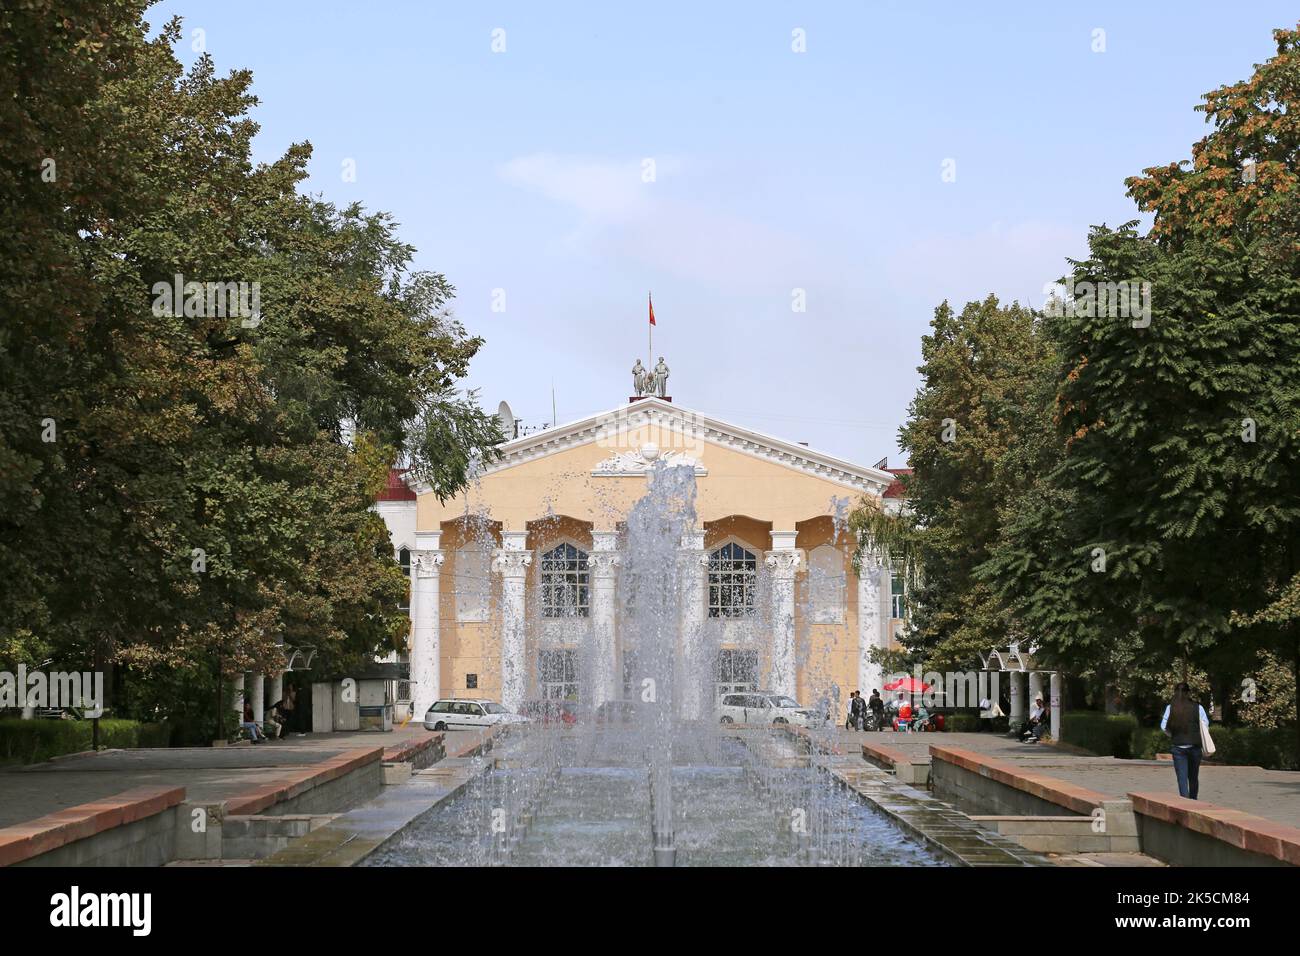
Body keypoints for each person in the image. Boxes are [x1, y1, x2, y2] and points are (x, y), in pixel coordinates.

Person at [1161, 683, 1210, 800]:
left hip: (1178, 747)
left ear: (1175, 693)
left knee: (1182, 778)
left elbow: (1164, 726)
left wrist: (1173, 735)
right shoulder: (1198, 707)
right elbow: (1205, 725)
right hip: (1195, 746)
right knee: (1193, 777)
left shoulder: (1171, 707)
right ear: (1188, 693)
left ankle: (1185, 802)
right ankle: (1194, 800)